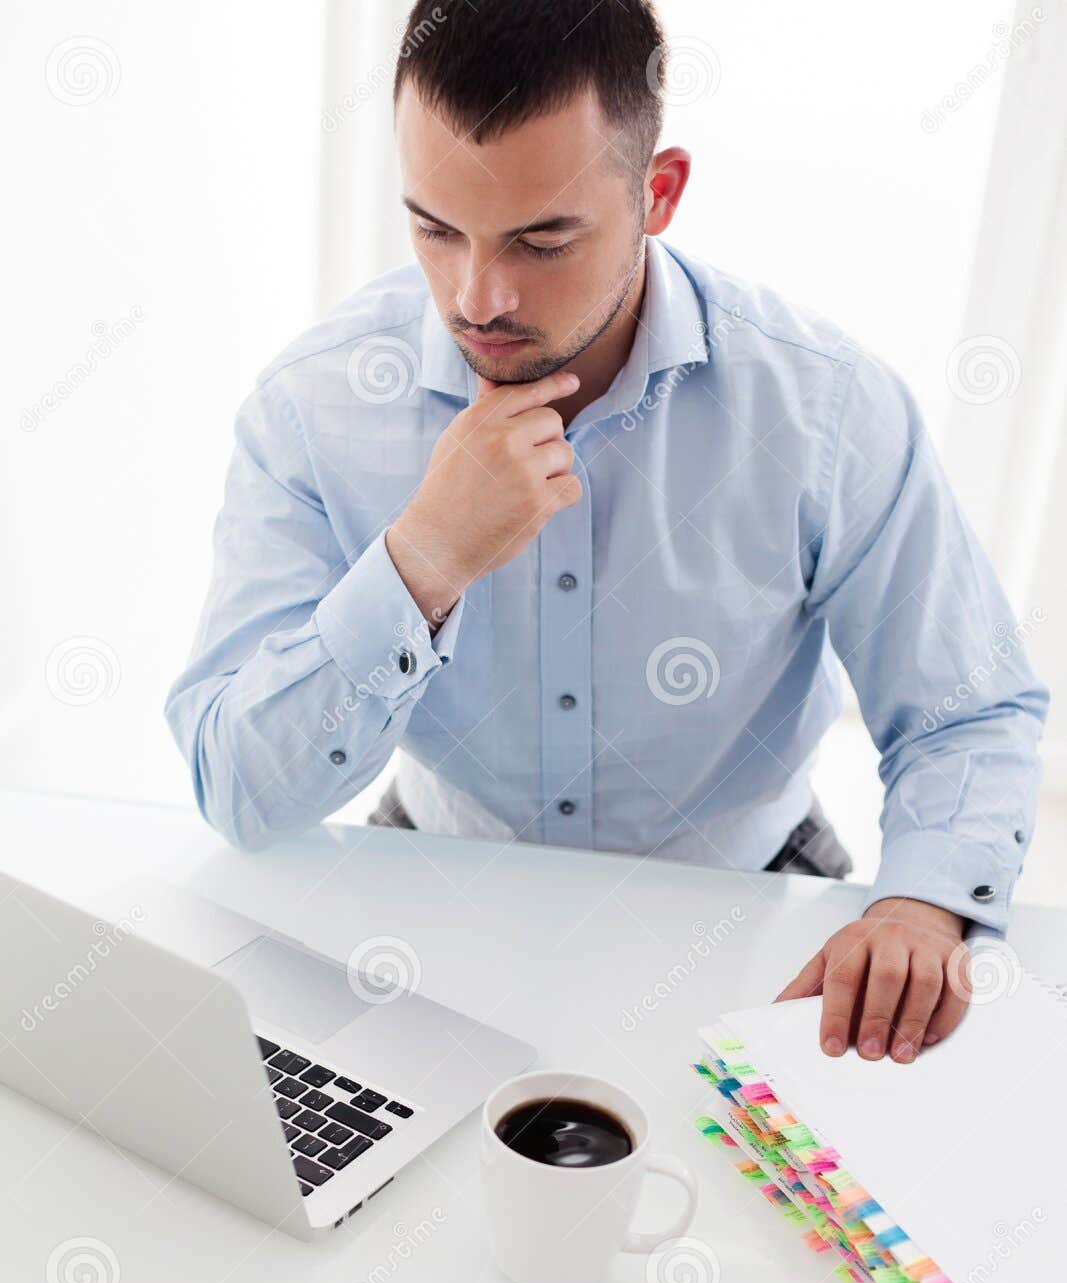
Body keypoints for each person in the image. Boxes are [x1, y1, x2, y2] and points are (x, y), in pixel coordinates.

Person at [166, 0, 1047, 1064]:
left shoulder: (824, 409)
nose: (477, 296)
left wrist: (920, 904)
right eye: (434, 229)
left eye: (541, 239)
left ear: (655, 193)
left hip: (749, 899)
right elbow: (236, 789)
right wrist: (422, 562)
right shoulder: (313, 408)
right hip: (429, 880)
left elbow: (967, 708)